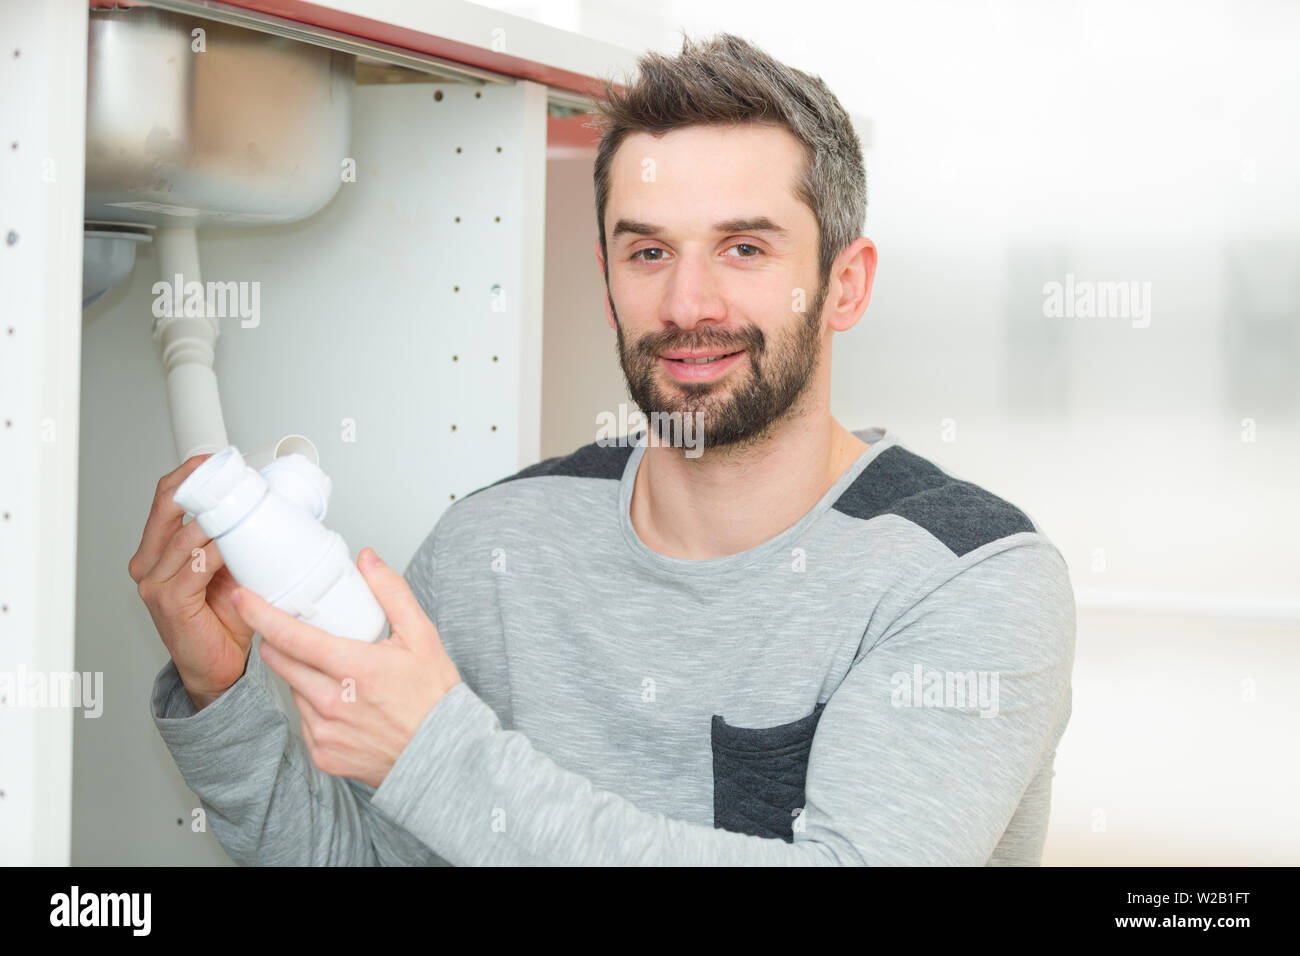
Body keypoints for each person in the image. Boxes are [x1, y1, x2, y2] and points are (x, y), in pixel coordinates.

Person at [131, 32, 1074, 865]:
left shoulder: (969, 579)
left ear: (845, 285)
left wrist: (435, 753)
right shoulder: (491, 548)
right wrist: (227, 696)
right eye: (648, 252)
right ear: (608, 277)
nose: (687, 305)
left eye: (744, 249)